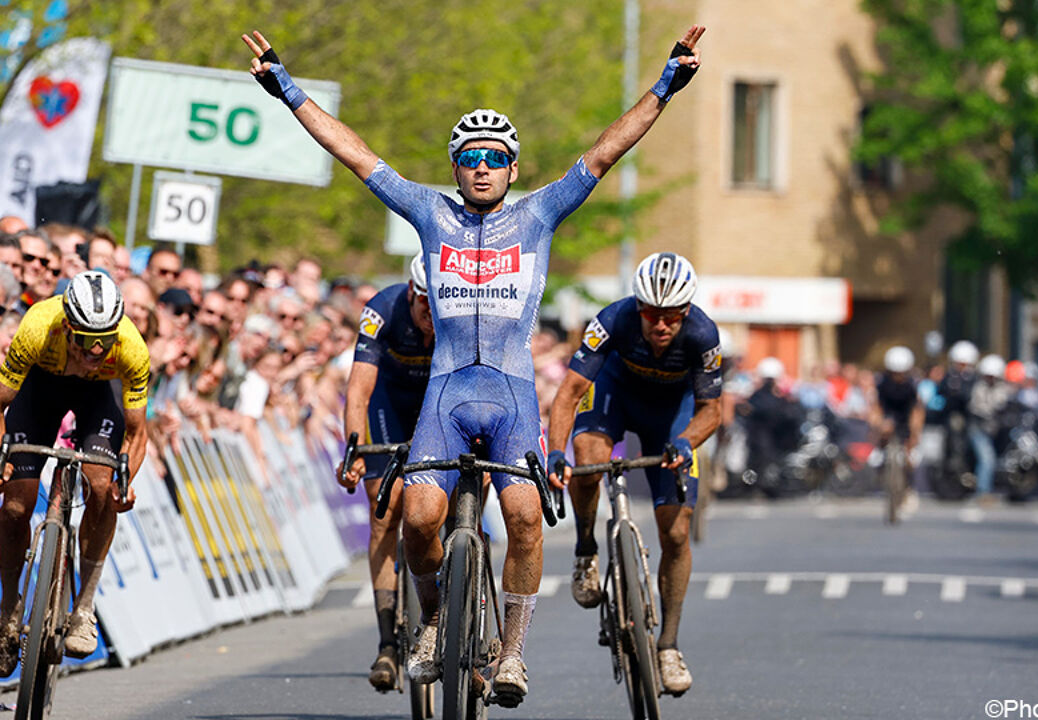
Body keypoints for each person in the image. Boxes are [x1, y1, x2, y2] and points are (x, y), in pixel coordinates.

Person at [243, 20, 705, 703]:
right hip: (446, 396)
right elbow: (356, 154)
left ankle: (512, 654)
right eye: (470, 157)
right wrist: (286, 88)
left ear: (513, 168)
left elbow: (606, 151)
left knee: (524, 518)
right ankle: (432, 622)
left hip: (511, 395)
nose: (482, 166)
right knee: (418, 520)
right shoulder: (430, 213)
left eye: (495, 157)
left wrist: (666, 84)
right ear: (455, 167)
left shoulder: (539, 215)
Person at [545, 252, 721, 695]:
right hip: (615, 394)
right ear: (638, 307)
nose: (661, 325)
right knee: (588, 456)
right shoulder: (611, 321)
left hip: (673, 413)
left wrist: (686, 442)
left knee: (676, 532)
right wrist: (556, 452)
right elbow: (568, 393)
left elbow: (711, 411)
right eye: (652, 314)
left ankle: (668, 646)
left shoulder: (703, 334)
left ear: (686, 311)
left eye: (671, 316)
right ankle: (586, 551)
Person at [0, 270, 150, 678]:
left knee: (102, 487)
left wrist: (125, 483)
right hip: (42, 388)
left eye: (105, 339)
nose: (96, 349)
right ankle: (8, 610)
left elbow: (137, 432)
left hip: (99, 396)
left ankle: (84, 607)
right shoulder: (38, 326)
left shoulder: (132, 348)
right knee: (17, 505)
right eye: (87, 339)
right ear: (68, 326)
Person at [335, 254, 435, 691]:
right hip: (388, 405)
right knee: (385, 508)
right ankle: (387, 644)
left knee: (460, 490)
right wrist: (354, 450)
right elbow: (358, 389)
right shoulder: (382, 309)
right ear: (412, 293)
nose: (432, 312)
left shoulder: (459, 313)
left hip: (438, 405)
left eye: (439, 302)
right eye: (425, 302)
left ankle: (462, 594)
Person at [872, 346, 924, 510]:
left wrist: (915, 431)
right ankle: (881, 471)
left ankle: (908, 487)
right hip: (888, 417)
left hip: (905, 418)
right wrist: (879, 424)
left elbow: (917, 409)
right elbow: (876, 406)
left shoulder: (912, 385)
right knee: (879, 448)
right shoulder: (882, 383)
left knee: (910, 455)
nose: (898, 376)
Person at [969, 353, 1010, 501]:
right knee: (987, 459)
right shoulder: (979, 388)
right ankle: (983, 491)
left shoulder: (1003, 388)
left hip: (996, 430)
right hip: (979, 429)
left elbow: (1007, 403)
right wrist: (992, 413)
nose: (990, 379)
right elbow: (977, 408)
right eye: (988, 376)